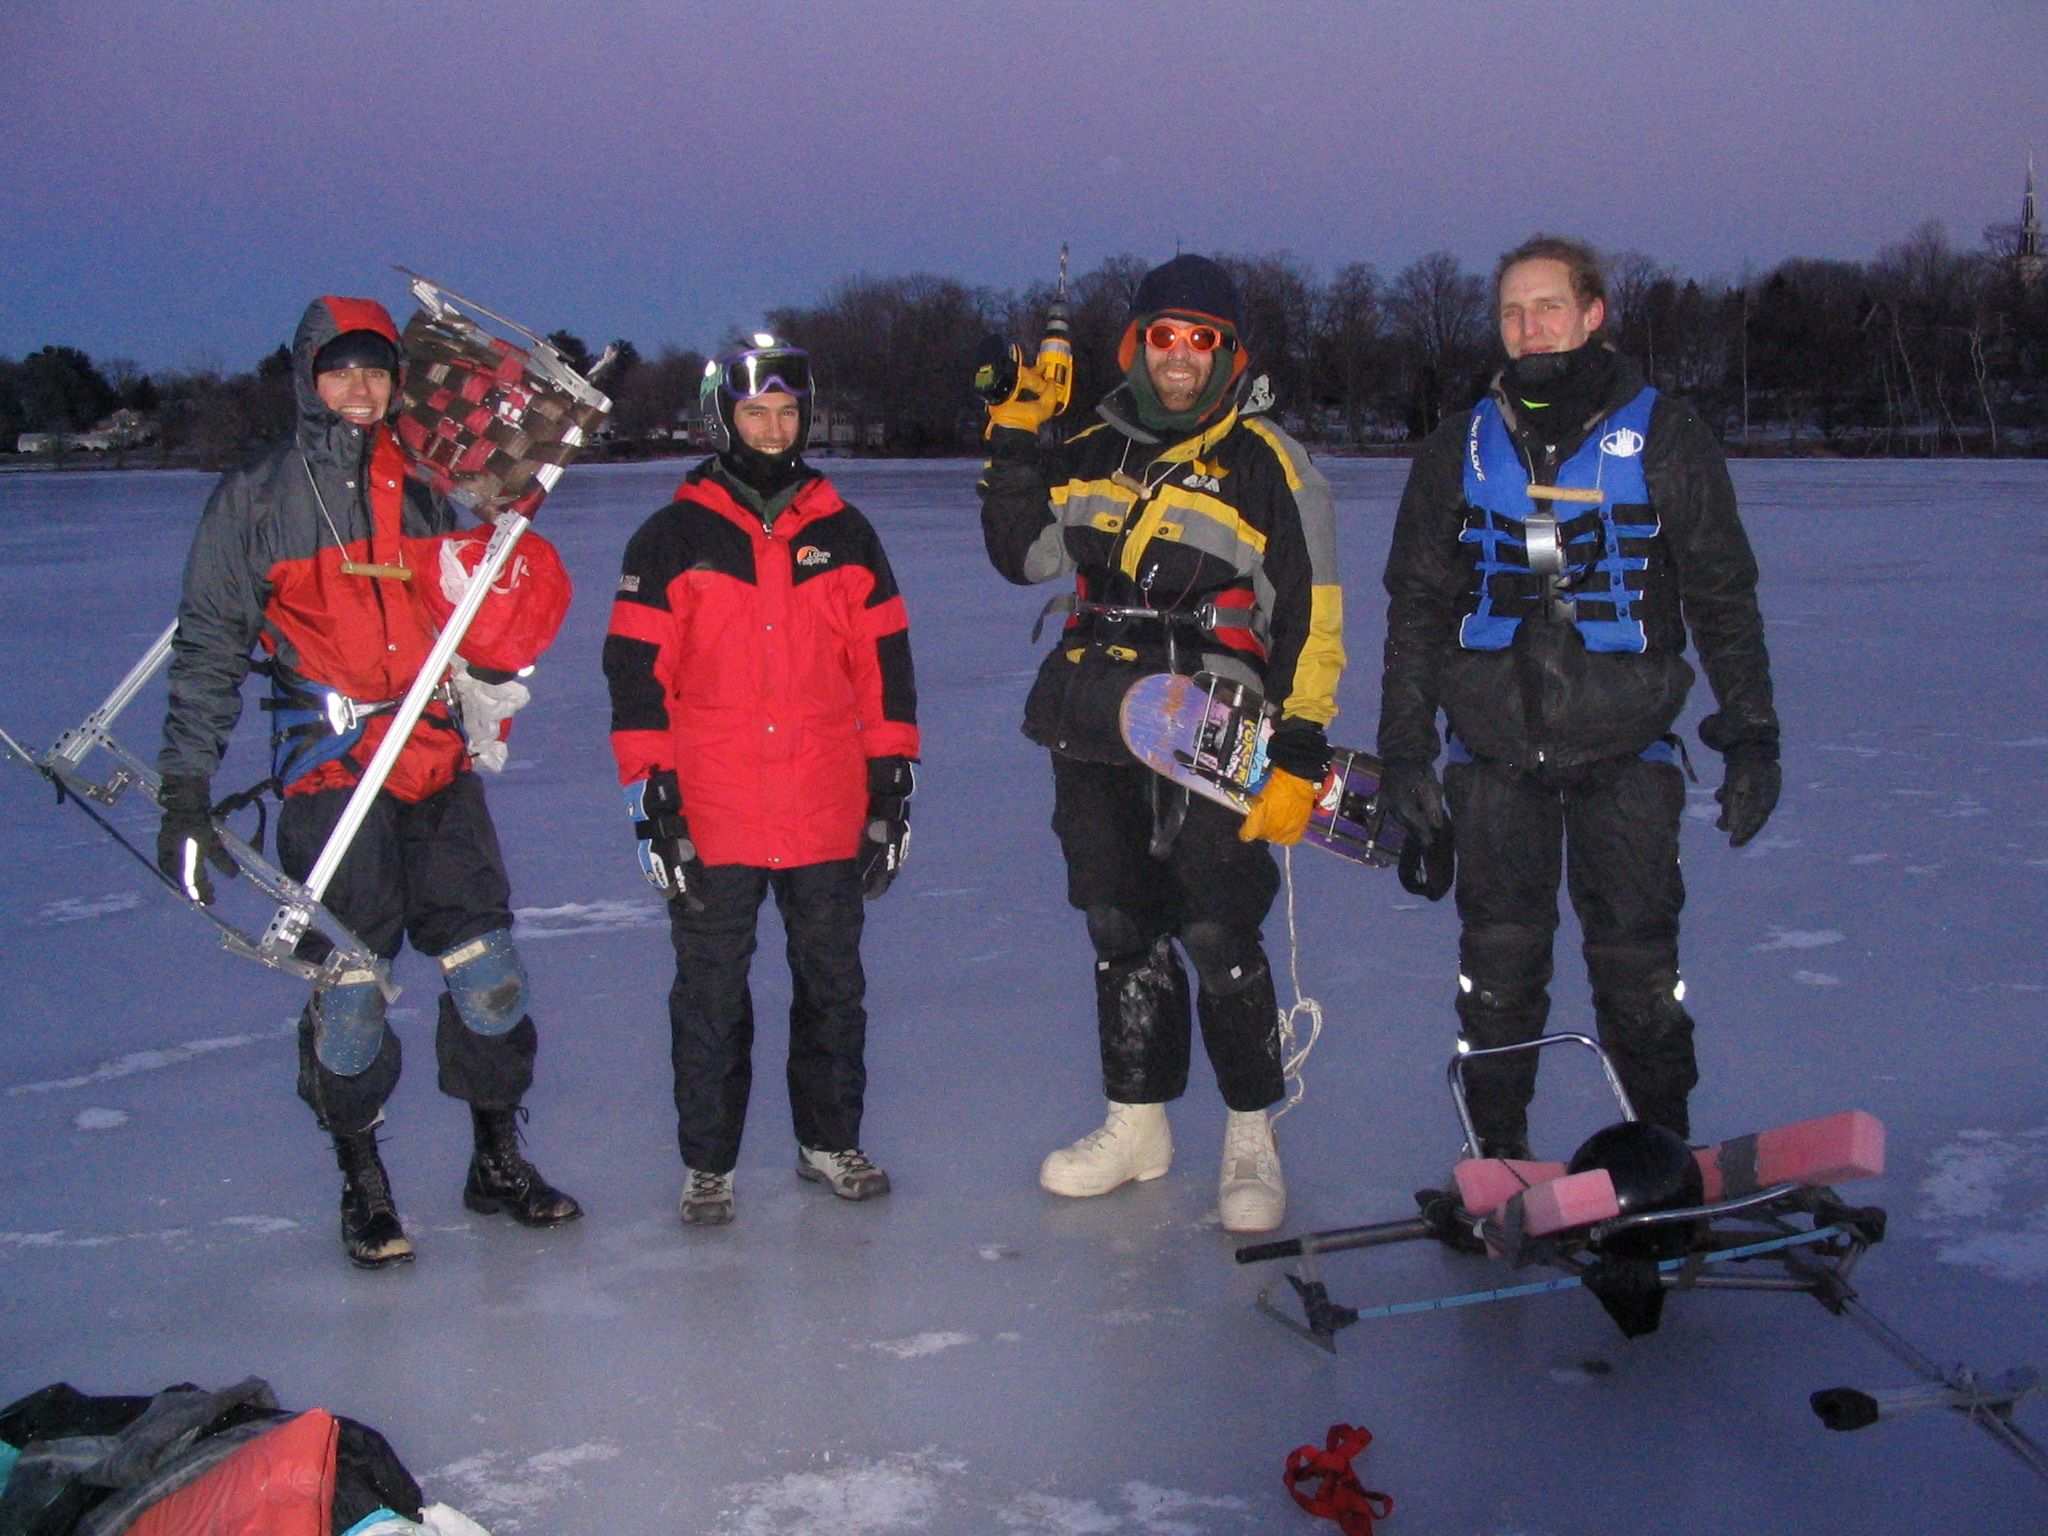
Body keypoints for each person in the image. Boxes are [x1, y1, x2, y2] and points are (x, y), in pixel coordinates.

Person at [156, 295, 583, 1269]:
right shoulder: (257, 499)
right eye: (340, 369)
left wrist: (513, 510)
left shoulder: (435, 485)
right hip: (329, 781)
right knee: (348, 998)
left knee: (489, 978)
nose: (360, 387)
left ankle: (495, 1160)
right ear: (308, 376)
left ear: (398, 379)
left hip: (437, 768)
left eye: (376, 369)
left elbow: (497, 592)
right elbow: (209, 653)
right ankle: (363, 1182)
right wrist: (187, 786)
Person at [1376, 235, 1781, 1160]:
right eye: (1513, 312)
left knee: (1639, 974)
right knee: (1498, 976)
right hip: (1493, 762)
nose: (1531, 328)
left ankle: (1663, 1153)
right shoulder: (1458, 446)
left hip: (1624, 756)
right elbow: (1420, 604)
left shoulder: (1667, 435)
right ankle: (1500, 1161)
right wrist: (1404, 748)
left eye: (1549, 306)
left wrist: (1751, 735)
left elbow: (1722, 594)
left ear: (1593, 313)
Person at [977, 254, 1346, 1234]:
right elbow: (1024, 557)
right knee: (1114, 920)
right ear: (1133, 345)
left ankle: (1248, 1135)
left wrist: (1301, 749)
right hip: (1091, 712)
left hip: (1215, 729)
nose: (1180, 357)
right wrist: (1016, 445)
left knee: (1219, 928)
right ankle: (1136, 1122)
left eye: (1201, 340)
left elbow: (1313, 617)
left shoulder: (1270, 463)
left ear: (1228, 353)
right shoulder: (1089, 444)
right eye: (1163, 336)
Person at [603, 334, 919, 1227]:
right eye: (755, 411)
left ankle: (828, 1141)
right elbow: (634, 679)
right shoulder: (670, 538)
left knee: (833, 985)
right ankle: (710, 1163)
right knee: (709, 993)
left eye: (788, 412)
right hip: (715, 807)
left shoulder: (846, 534)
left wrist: (892, 783)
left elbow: (884, 667)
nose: (774, 428)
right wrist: (650, 795)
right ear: (721, 419)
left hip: (825, 801)